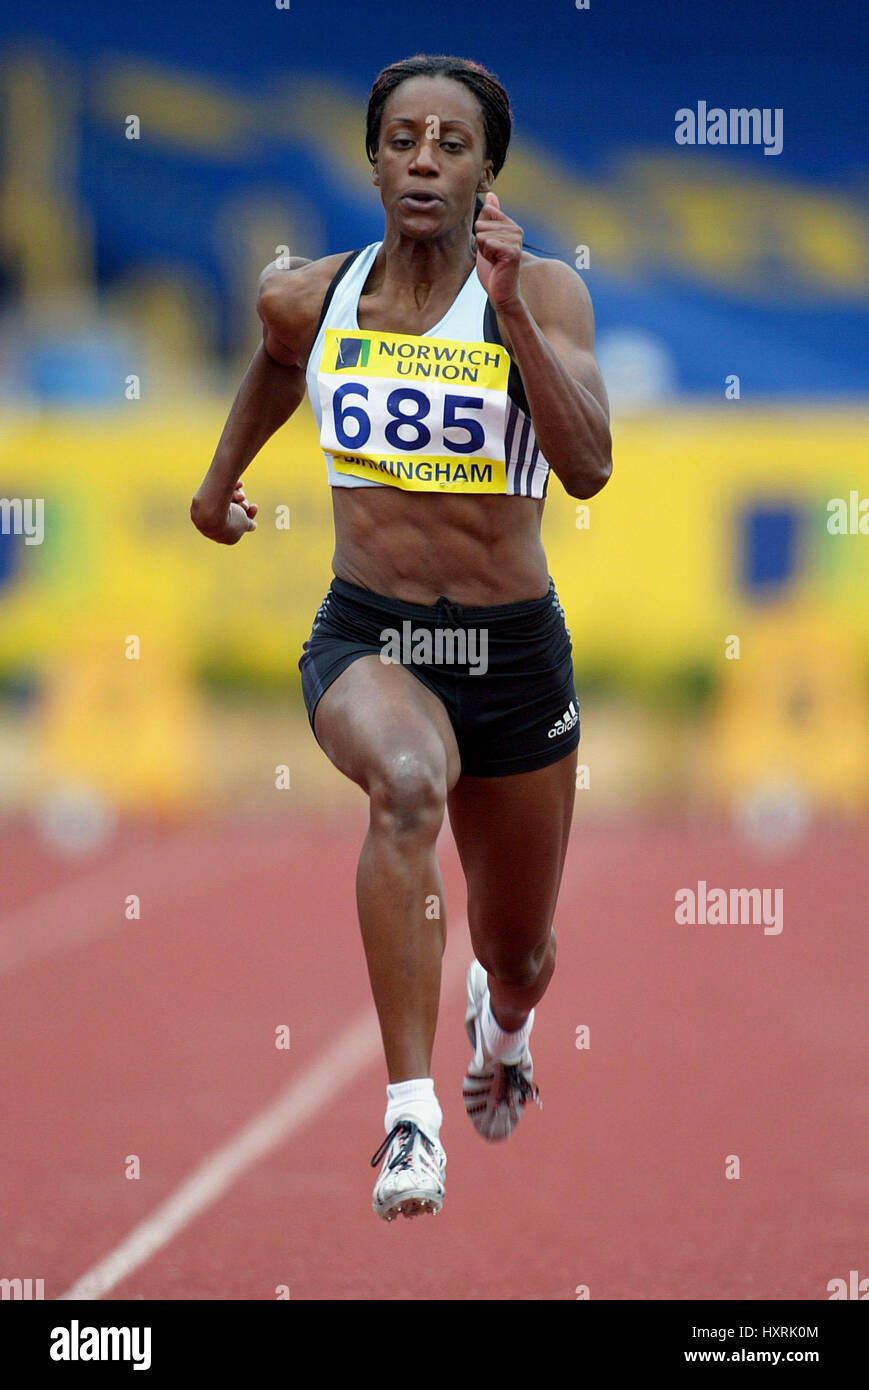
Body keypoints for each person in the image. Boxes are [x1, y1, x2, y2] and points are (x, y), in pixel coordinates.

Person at [191, 54, 612, 1222]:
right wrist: (219, 480)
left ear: (487, 172)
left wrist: (513, 304)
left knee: (521, 948)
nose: (424, 159)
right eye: (403, 140)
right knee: (407, 788)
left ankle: (503, 1019)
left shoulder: (548, 293)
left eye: (451, 143)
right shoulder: (310, 295)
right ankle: (410, 1119)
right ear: (372, 159)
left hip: (512, 653)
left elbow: (586, 468)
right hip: (371, 635)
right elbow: (279, 367)